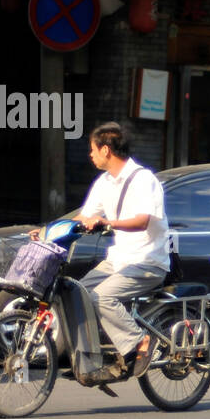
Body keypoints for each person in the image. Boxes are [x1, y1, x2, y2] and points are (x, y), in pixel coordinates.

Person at [33, 122, 169, 380]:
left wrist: (108, 222)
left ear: (106, 150)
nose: (90, 155)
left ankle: (141, 342)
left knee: (101, 297)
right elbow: (83, 217)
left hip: (148, 261)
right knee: (77, 294)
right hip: (119, 260)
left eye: (93, 149)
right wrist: (45, 231)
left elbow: (143, 221)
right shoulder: (105, 182)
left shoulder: (144, 180)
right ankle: (87, 363)